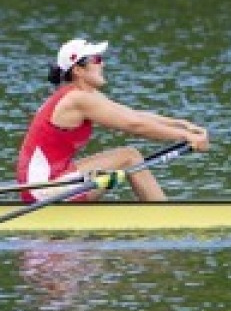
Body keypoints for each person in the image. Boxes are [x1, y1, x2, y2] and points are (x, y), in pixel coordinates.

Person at [15, 38, 209, 203]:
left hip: (56, 177)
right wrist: (185, 136)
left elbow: (134, 115)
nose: (102, 64)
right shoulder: (77, 99)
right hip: (42, 188)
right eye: (96, 59)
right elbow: (135, 126)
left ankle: (161, 213)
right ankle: (167, 218)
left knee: (129, 155)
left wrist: (181, 125)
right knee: (129, 157)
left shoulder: (84, 94)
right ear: (78, 70)